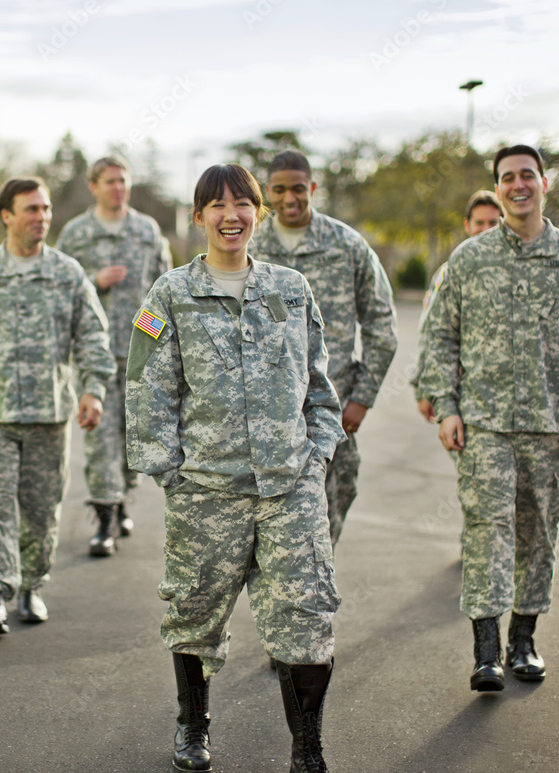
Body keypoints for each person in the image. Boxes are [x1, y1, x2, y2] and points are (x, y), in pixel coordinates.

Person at [126, 163, 344, 773]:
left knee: (306, 615)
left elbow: (319, 385)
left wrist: (318, 454)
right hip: (207, 491)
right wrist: (171, 472)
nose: (232, 215)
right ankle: (192, 726)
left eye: (243, 204)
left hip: (289, 488)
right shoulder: (169, 294)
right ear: (197, 218)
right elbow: (146, 385)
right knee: (194, 611)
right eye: (217, 206)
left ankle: (308, 748)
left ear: (259, 214)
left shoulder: (291, 289)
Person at [418, 145, 559, 691]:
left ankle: (523, 641)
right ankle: (486, 650)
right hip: (483, 426)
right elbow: (440, 333)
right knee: (487, 532)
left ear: (544, 183)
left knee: (538, 535)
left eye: (526, 174)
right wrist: (447, 406)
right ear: (498, 187)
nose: (517, 185)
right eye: (506, 177)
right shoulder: (469, 258)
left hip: (553, 428)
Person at [0, 177, 115, 635]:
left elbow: (93, 337)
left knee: (40, 510)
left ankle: (32, 585)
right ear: (7, 216)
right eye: (31, 209)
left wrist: (93, 390)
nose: (42, 218)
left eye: (47, 208)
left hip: (49, 416)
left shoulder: (68, 274)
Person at [251, 149, 397, 547]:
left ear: (312, 187)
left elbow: (382, 327)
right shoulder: (249, 244)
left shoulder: (347, 246)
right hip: (263, 413)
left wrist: (361, 399)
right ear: (268, 192)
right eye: (278, 190)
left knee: (331, 509)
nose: (289, 199)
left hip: (331, 411)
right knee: (264, 521)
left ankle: (314, 597)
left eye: (298, 189)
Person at [56, 155, 170, 556]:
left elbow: (164, 291)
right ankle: (104, 517)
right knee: (100, 439)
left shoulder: (146, 230)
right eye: (109, 182)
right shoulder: (76, 234)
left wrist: (159, 345)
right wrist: (94, 280)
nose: (117, 188)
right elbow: (59, 287)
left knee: (131, 440)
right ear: (94, 187)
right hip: (94, 353)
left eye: (123, 180)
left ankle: (121, 495)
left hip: (141, 352)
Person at [413, 190, 503, 422]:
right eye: (479, 223)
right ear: (467, 225)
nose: (485, 229)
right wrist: (425, 389)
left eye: (493, 223)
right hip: (464, 393)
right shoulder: (451, 271)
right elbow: (431, 331)